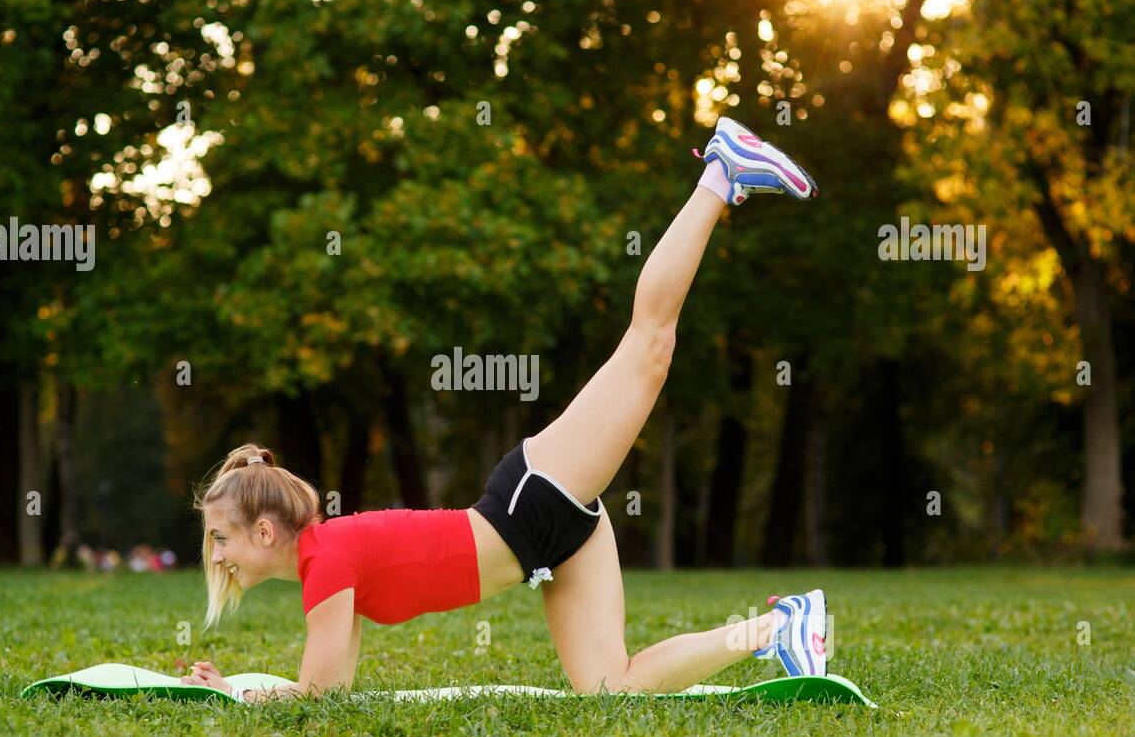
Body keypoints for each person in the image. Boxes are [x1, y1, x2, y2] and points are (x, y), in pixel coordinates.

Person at [184, 117, 828, 703]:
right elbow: (332, 686)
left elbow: (316, 697)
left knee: (649, 346)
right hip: (547, 539)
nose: (217, 555)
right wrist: (233, 687)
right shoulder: (326, 571)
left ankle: (721, 172)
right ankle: (779, 628)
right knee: (612, 689)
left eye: (220, 537)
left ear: (264, 532)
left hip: (530, 499)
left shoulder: (325, 562)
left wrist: (234, 695)